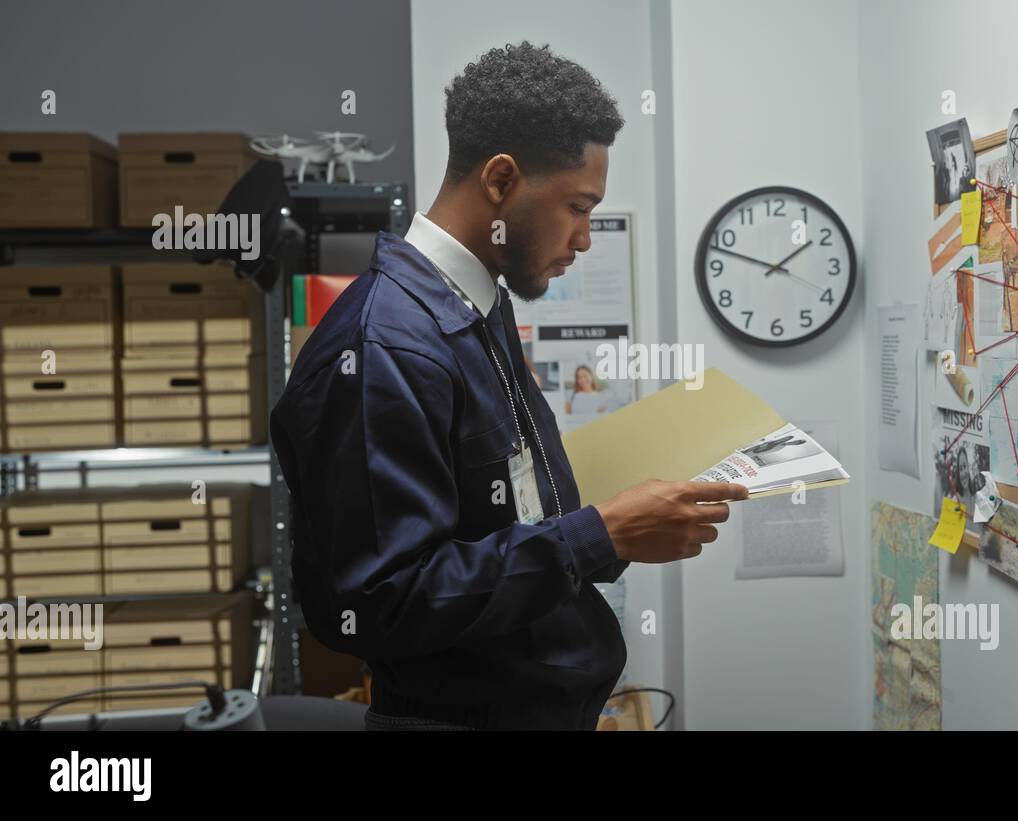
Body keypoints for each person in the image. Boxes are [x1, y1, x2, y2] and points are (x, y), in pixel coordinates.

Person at [269, 42, 747, 731]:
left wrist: (609, 525)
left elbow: (497, 513)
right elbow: (382, 602)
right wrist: (601, 534)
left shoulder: (477, 304)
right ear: (500, 180)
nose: (584, 239)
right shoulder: (385, 347)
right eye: (577, 206)